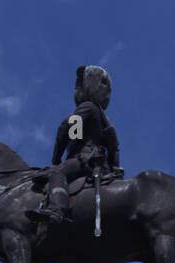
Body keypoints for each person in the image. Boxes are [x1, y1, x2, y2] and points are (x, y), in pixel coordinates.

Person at [28, 64, 123, 226]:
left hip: (84, 159)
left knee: (57, 173)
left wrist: (56, 159)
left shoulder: (87, 107)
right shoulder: (104, 120)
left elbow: (68, 129)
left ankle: (56, 210)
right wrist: (114, 169)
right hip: (102, 167)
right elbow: (114, 148)